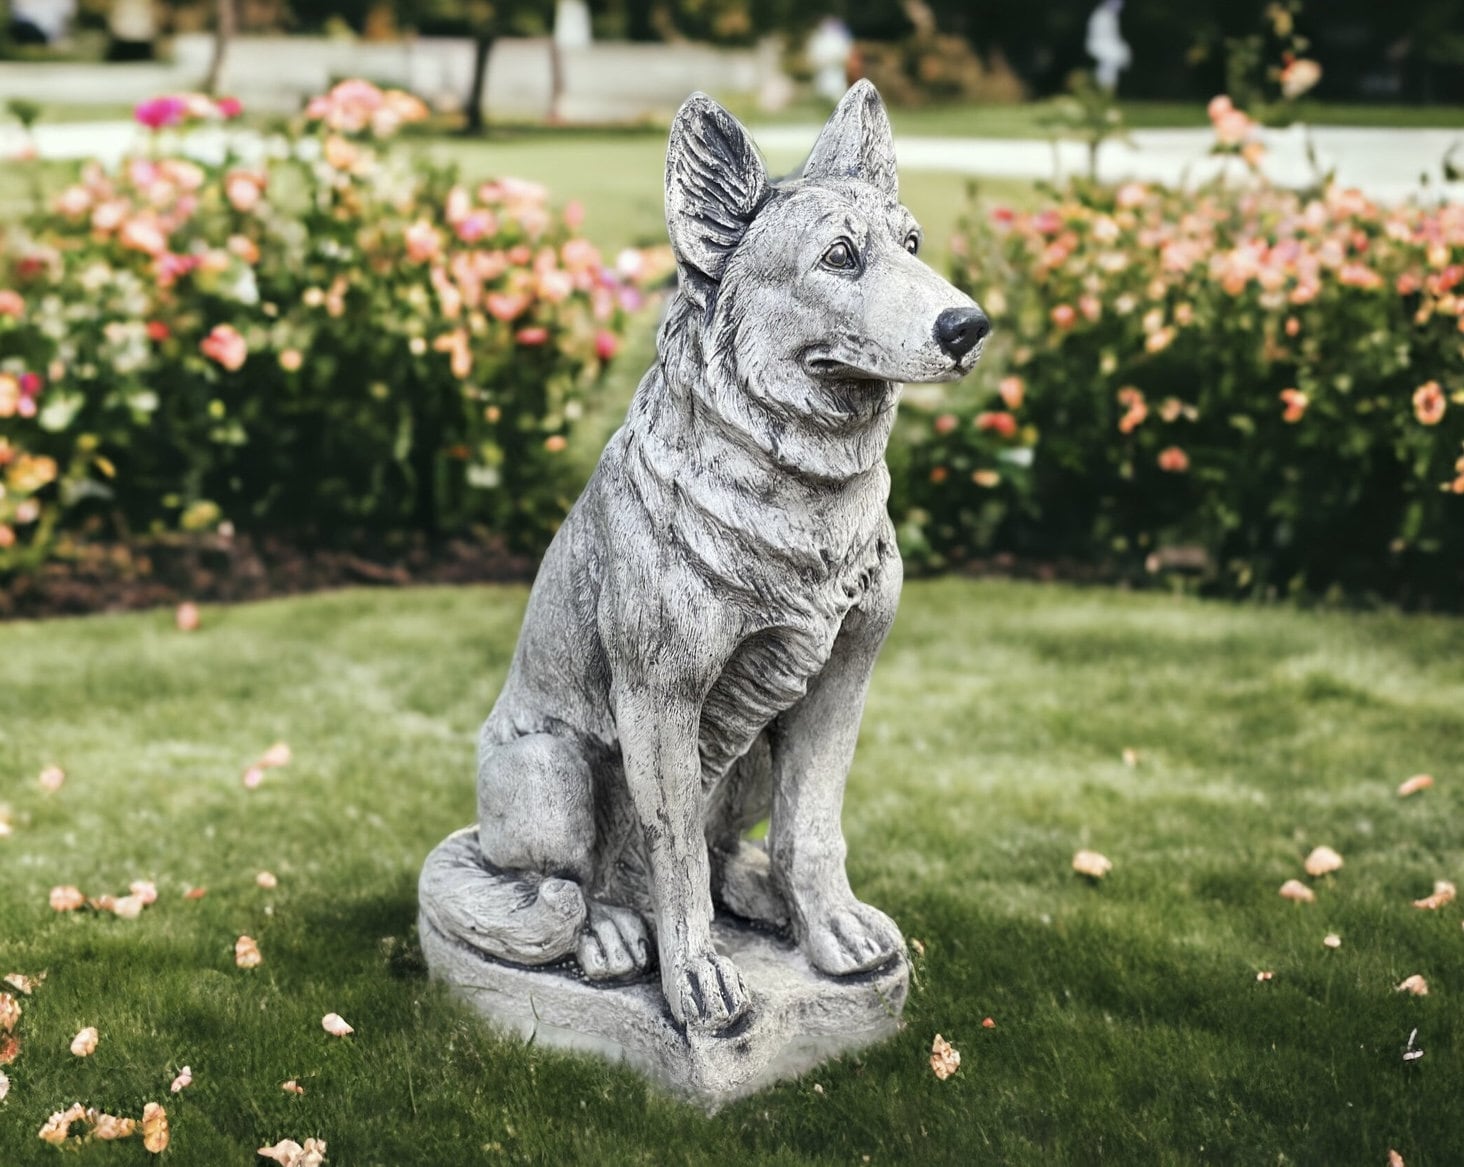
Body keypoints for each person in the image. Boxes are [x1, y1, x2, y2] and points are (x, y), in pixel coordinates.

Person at [1086, 0, 1131, 92]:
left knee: (1114, 60)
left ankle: (1107, 87)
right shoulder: (1100, 16)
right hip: (1098, 43)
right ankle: (1104, 87)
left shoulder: (1112, 17)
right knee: (1110, 60)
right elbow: (1099, 35)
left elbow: (1115, 36)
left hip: (1108, 44)